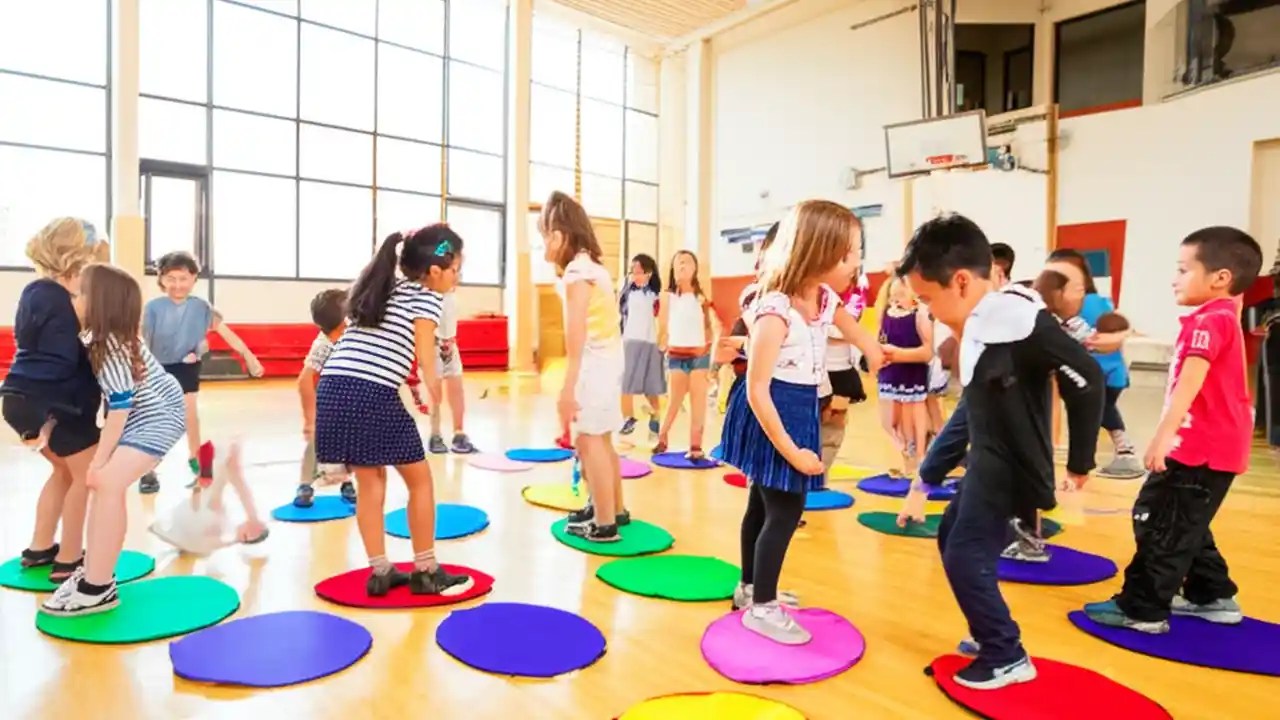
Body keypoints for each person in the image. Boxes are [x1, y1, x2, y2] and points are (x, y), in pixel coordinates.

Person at [899, 213, 1103, 690]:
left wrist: (1080, 461)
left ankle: (1005, 654)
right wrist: (925, 478)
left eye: (928, 300)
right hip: (989, 459)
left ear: (963, 281)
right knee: (953, 539)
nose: (927, 312)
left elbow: (1087, 379)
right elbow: (969, 412)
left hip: (1009, 464)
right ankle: (990, 631)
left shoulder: (1016, 319)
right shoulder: (982, 328)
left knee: (966, 555)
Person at [718, 200, 883, 644]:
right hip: (771, 412)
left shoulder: (824, 298)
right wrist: (792, 450)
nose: (857, 262)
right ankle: (764, 609)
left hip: (799, 406)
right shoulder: (776, 312)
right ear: (818, 252)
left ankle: (751, 590)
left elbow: (859, 333)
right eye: (849, 253)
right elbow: (755, 390)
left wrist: (878, 354)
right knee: (784, 510)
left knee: (761, 503)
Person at [1084, 226, 1262, 633]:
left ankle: (1142, 609)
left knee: (1157, 521)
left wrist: (1163, 435)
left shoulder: (1211, 321)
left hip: (1199, 448)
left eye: (1183, 269)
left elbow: (1190, 381)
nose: (1173, 278)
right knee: (1183, 522)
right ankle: (1211, 594)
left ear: (1220, 278)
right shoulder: (1218, 317)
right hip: (1213, 449)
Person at [316, 225, 473, 597]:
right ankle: (426, 570)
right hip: (370, 393)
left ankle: (381, 571)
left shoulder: (381, 288)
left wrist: (414, 386)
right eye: (455, 270)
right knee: (419, 481)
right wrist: (433, 387)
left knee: (371, 483)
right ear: (434, 271)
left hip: (334, 389)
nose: (457, 278)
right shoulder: (427, 298)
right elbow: (422, 351)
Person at [41, 264, 188, 616]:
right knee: (106, 486)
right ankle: (95, 574)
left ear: (98, 302)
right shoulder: (99, 338)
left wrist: (99, 460)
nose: (73, 300)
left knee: (104, 482)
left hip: (158, 416)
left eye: (79, 294)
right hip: (148, 412)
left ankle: (98, 586)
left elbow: (119, 406)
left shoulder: (108, 343)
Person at [2, 218, 107, 584]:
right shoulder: (64, 300)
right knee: (86, 477)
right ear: (76, 258)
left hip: (18, 397)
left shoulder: (34, 290)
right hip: (62, 403)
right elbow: (66, 358)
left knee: (62, 471)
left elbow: (36, 347)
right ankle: (68, 559)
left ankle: (39, 547)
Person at [541, 191, 629, 542]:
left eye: (545, 236)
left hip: (595, 363)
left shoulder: (577, 272)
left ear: (560, 236)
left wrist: (567, 388)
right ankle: (614, 509)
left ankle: (604, 524)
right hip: (608, 360)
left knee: (591, 441)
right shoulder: (591, 266)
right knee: (601, 439)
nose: (544, 246)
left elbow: (575, 334)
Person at [139, 252, 263, 493]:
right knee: (155, 418)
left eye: (183, 278)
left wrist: (248, 356)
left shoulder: (202, 308)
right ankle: (148, 469)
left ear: (194, 278)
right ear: (161, 279)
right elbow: (140, 339)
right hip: (156, 367)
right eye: (171, 278)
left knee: (189, 414)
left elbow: (227, 333)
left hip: (186, 365)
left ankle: (196, 462)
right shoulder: (153, 308)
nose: (177, 285)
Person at [1045, 249, 1141, 478]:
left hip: (1096, 376)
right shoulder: (1102, 302)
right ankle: (1118, 453)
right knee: (1102, 411)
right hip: (1114, 374)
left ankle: (1125, 453)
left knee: (1100, 411)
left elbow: (1093, 338)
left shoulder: (1074, 306)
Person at [875, 275, 934, 526]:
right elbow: (881, 338)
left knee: (915, 413)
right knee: (890, 421)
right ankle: (906, 453)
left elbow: (927, 351)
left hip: (911, 371)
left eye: (901, 294)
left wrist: (900, 355)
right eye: (893, 295)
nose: (896, 299)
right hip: (891, 370)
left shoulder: (920, 314)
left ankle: (917, 456)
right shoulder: (887, 313)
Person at [294, 288, 355, 507]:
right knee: (315, 444)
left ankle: (346, 482)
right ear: (342, 318)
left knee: (347, 444)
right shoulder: (323, 346)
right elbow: (304, 381)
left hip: (345, 402)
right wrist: (311, 419)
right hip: (326, 404)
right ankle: (305, 484)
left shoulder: (349, 336)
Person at [655, 250, 717, 459]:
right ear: (673, 269)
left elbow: (709, 326)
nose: (683, 265)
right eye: (679, 262)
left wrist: (711, 353)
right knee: (675, 400)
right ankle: (663, 435)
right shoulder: (667, 296)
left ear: (695, 268)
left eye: (688, 262)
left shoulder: (701, 298)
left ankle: (696, 445)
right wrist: (660, 347)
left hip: (699, 355)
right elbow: (662, 327)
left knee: (698, 401)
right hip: (676, 355)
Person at [618, 253, 665, 438]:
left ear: (649, 273)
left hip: (650, 342)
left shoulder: (655, 295)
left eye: (640, 272)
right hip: (630, 340)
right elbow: (622, 316)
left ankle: (656, 414)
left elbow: (662, 319)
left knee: (649, 385)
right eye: (633, 272)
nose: (636, 276)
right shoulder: (627, 292)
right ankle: (628, 418)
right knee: (626, 382)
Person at [427, 288, 478, 455]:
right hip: (432, 345)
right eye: (453, 270)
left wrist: (450, 341)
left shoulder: (451, 293)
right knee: (435, 391)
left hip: (450, 344)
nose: (456, 276)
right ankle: (435, 434)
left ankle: (459, 432)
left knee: (457, 388)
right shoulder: (427, 293)